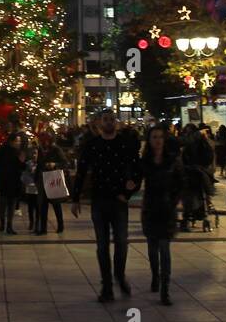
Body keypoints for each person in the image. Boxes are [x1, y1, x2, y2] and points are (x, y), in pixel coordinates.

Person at [71, 109, 142, 302]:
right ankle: (107, 285)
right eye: (106, 119)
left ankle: (119, 275)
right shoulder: (92, 145)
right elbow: (82, 170)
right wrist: (75, 198)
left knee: (121, 242)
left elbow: (137, 171)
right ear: (99, 123)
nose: (109, 122)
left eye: (112, 119)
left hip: (119, 201)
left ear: (116, 123)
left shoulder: (125, 145)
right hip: (100, 200)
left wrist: (128, 192)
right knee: (102, 245)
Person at [140, 123, 183, 305]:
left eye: (160, 137)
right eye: (154, 137)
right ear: (149, 141)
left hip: (167, 209)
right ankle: (155, 276)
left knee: (164, 248)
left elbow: (181, 182)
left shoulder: (172, 160)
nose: (157, 141)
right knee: (152, 248)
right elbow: (135, 179)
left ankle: (165, 288)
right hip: (150, 208)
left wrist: (174, 201)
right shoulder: (145, 161)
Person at [34, 134, 68, 235]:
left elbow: (64, 162)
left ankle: (60, 225)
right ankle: (43, 228)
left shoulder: (56, 149)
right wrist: (36, 179)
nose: (44, 143)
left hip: (53, 178)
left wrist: (55, 164)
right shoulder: (41, 150)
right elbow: (39, 164)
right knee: (43, 205)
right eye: (42, 141)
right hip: (43, 179)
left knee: (56, 204)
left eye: (46, 141)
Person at [0, 133, 24, 235]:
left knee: (9, 204)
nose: (19, 143)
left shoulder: (15, 152)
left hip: (11, 181)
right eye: (17, 141)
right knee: (6, 203)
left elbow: (21, 167)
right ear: (11, 141)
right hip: (7, 181)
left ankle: (7, 224)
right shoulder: (5, 151)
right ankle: (5, 223)